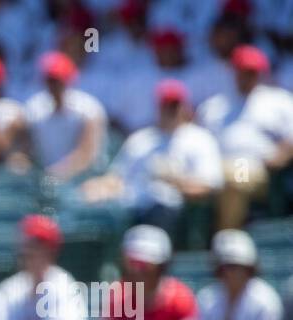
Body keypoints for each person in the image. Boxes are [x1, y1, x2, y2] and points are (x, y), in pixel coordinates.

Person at [79, 79, 222, 231]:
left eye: (174, 105)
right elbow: (118, 177)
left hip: (175, 214)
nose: (170, 110)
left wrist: (174, 182)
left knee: (163, 201)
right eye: (166, 105)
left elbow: (209, 186)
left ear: (184, 107)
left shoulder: (200, 139)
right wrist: (97, 187)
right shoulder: (141, 139)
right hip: (133, 206)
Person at [197, 45, 293, 229]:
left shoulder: (278, 101)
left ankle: (227, 235)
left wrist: (281, 155)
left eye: (252, 72)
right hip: (215, 165)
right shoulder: (215, 106)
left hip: (254, 165)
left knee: (234, 179)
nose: (247, 76)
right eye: (242, 71)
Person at [0, 215, 88, 320]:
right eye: (28, 245)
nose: (31, 251)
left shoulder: (64, 286)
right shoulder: (11, 288)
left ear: (51, 250)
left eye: (38, 245)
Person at [104, 224, 199, 320]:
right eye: (132, 262)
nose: (136, 270)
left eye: (143, 264)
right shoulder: (119, 295)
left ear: (161, 266)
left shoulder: (181, 299)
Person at [194, 228, 283, 320]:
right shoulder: (206, 298)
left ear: (250, 268)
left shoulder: (266, 301)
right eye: (225, 267)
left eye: (237, 266)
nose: (230, 273)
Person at [20, 51, 107, 181]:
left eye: (57, 81)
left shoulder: (89, 109)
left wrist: (55, 175)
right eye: (49, 80)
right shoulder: (34, 109)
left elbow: (86, 155)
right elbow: (25, 148)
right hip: (46, 178)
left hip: (85, 178)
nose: (53, 86)